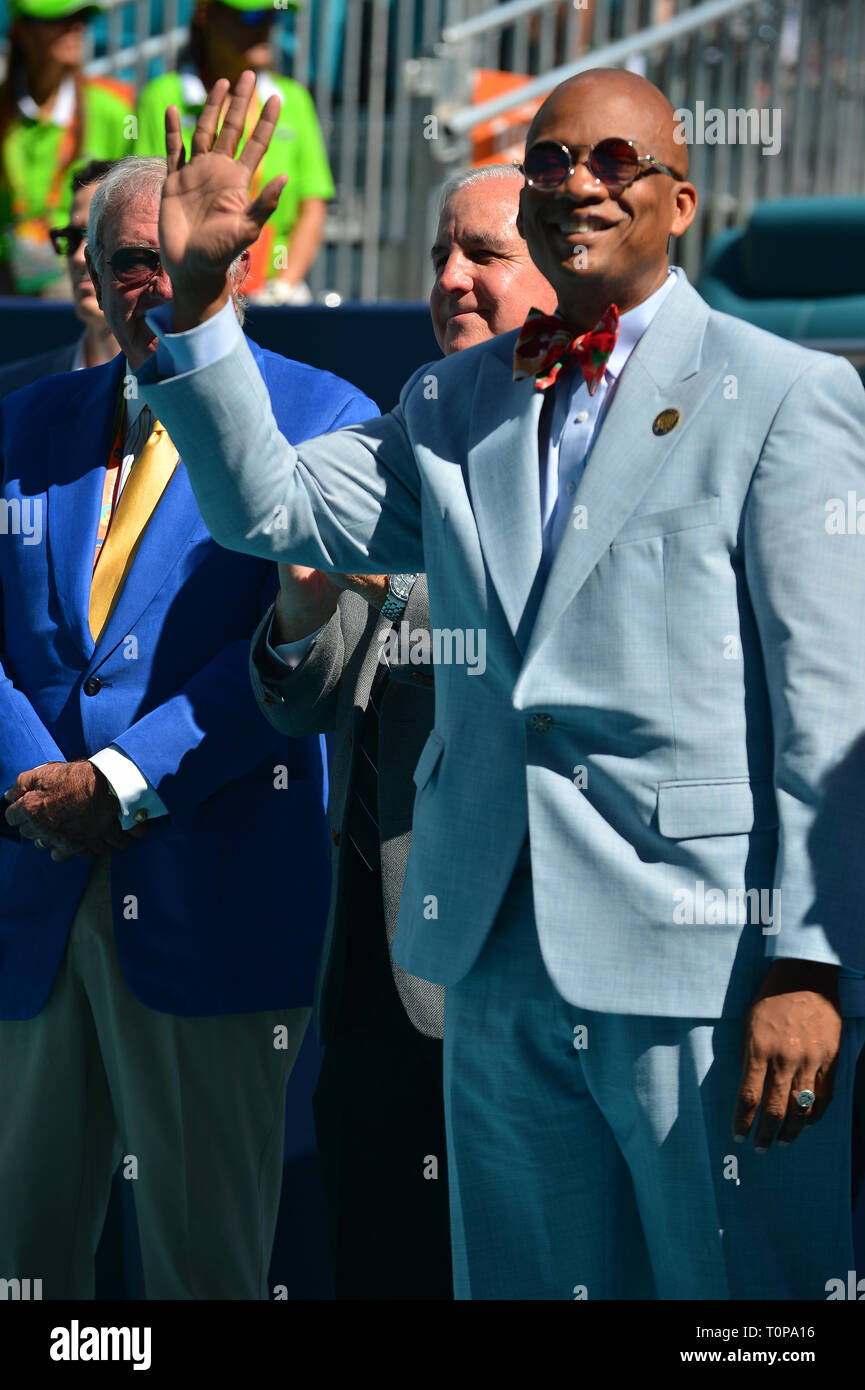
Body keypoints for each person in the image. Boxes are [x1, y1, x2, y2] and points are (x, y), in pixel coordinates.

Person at [136, 71, 865, 1300]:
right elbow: (270, 507)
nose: (576, 181)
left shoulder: (787, 394)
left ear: (680, 199)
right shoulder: (447, 401)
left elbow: (827, 707)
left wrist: (808, 962)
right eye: (548, 161)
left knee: (743, 1309)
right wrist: (203, 302)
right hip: (486, 950)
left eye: (613, 160)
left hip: (702, 960)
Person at [0, 154, 377, 1299]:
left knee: (202, 1273)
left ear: (243, 258)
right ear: (95, 281)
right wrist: (35, 786)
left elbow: (288, 653)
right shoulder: (23, 422)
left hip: (212, 906)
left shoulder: (326, 418)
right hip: (30, 899)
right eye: (131, 263)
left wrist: (120, 779)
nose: (156, 289)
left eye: (180, 261)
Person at [249, 163, 556, 1300]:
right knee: (383, 1261)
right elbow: (304, 696)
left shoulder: (583, 449)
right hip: (377, 971)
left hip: (525, 969)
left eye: (484, 253)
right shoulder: (414, 427)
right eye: (439, 252)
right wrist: (303, 605)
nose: (451, 279)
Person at [135, 0, 332, 303]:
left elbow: (312, 208)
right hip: (185, 284)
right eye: (250, 16)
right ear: (207, 16)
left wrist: (283, 286)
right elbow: (146, 201)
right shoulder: (163, 96)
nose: (265, 27)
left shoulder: (295, 99)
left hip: (272, 291)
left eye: (271, 15)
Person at [0, 0, 133, 297]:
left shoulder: (116, 110)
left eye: (82, 17)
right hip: (8, 274)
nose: (76, 27)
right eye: (60, 18)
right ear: (22, 30)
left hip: (88, 272)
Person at [0, 159, 120, 398]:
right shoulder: (15, 392)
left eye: (97, 237)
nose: (78, 257)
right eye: (73, 237)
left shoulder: (187, 393)